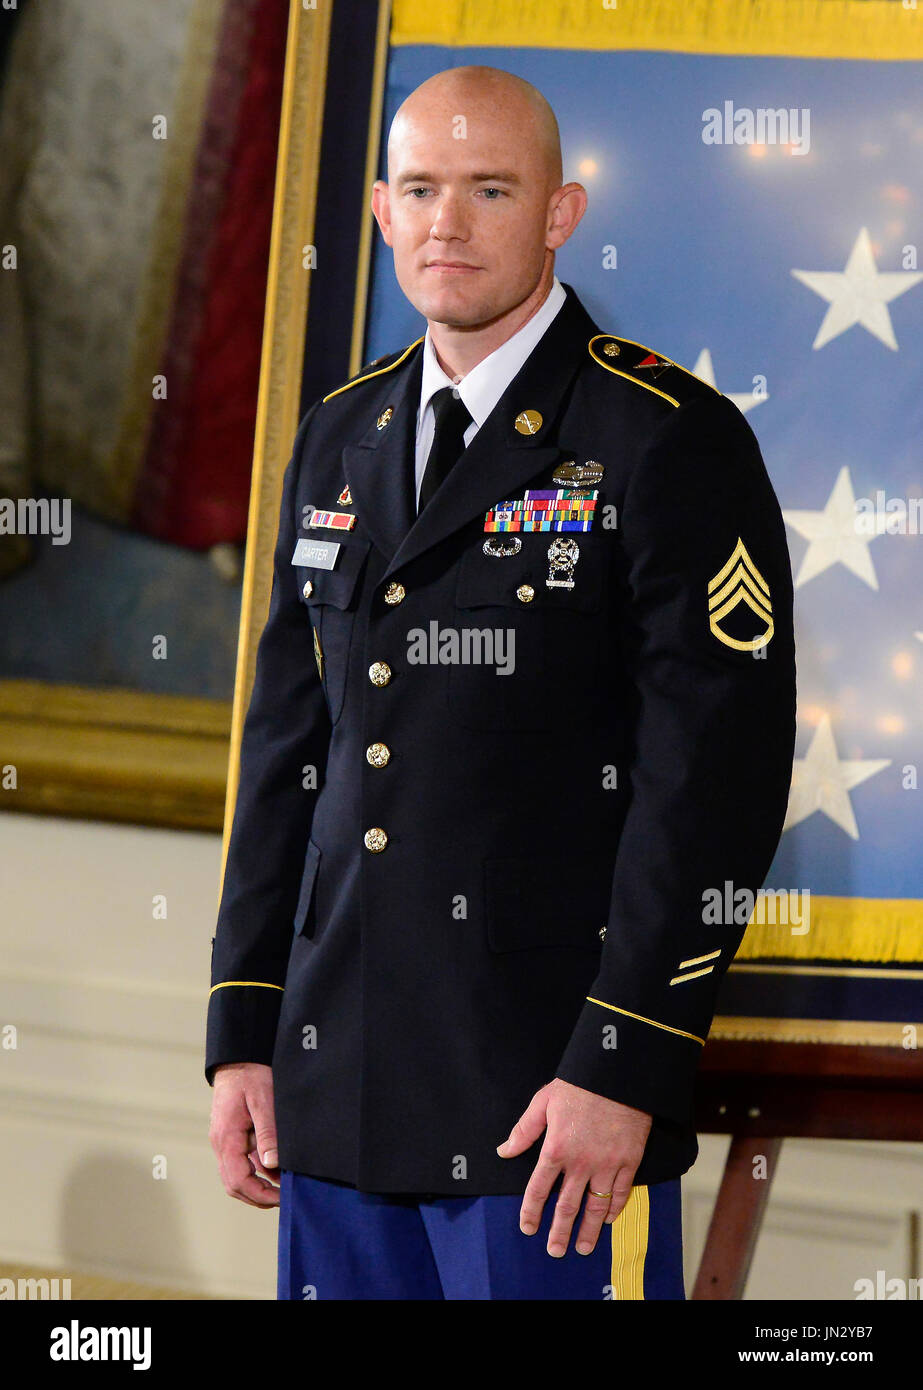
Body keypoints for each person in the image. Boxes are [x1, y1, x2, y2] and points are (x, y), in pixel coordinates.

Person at [206, 65, 796, 1301]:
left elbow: (714, 787)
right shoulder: (338, 430)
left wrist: (623, 1063)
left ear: (559, 212)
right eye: (419, 189)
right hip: (337, 1084)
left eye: (488, 189)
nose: (446, 224)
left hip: (548, 1112)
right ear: (378, 211)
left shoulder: (661, 436)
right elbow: (286, 752)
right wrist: (242, 1034)